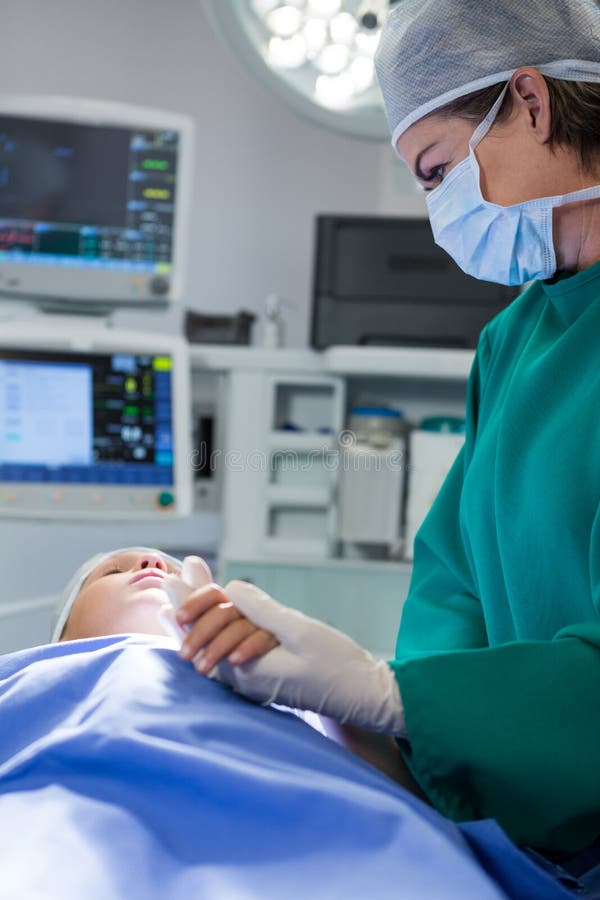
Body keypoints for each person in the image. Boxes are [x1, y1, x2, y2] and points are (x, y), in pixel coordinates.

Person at [166, 0, 600, 889]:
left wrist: (402, 699)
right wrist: (401, 730)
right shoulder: (515, 342)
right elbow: (457, 578)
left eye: (438, 170)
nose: (436, 211)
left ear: (530, 101)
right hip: (529, 847)